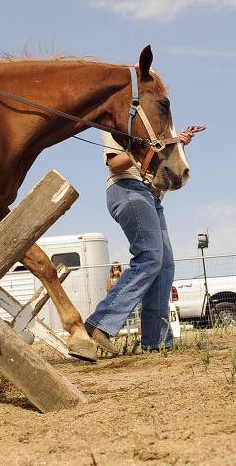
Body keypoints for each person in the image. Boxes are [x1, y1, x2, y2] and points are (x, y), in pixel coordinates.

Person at [85, 125, 206, 353]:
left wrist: (176, 142)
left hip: (152, 196)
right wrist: (146, 149)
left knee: (164, 266)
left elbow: (165, 164)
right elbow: (114, 164)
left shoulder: (155, 131)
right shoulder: (118, 124)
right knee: (149, 255)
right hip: (127, 188)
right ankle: (100, 322)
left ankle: (156, 341)